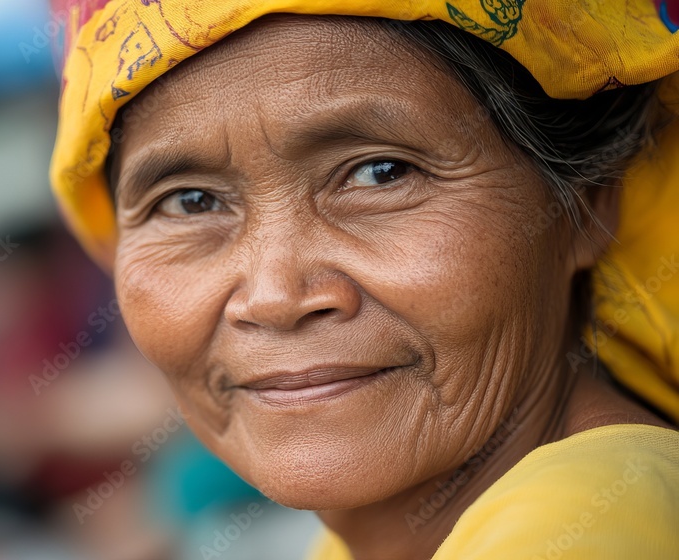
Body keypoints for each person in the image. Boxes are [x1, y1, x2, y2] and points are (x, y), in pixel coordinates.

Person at [47, 1, 679, 558]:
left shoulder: (591, 524)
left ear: (591, 201)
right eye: (190, 203)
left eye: (381, 172)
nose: (273, 297)